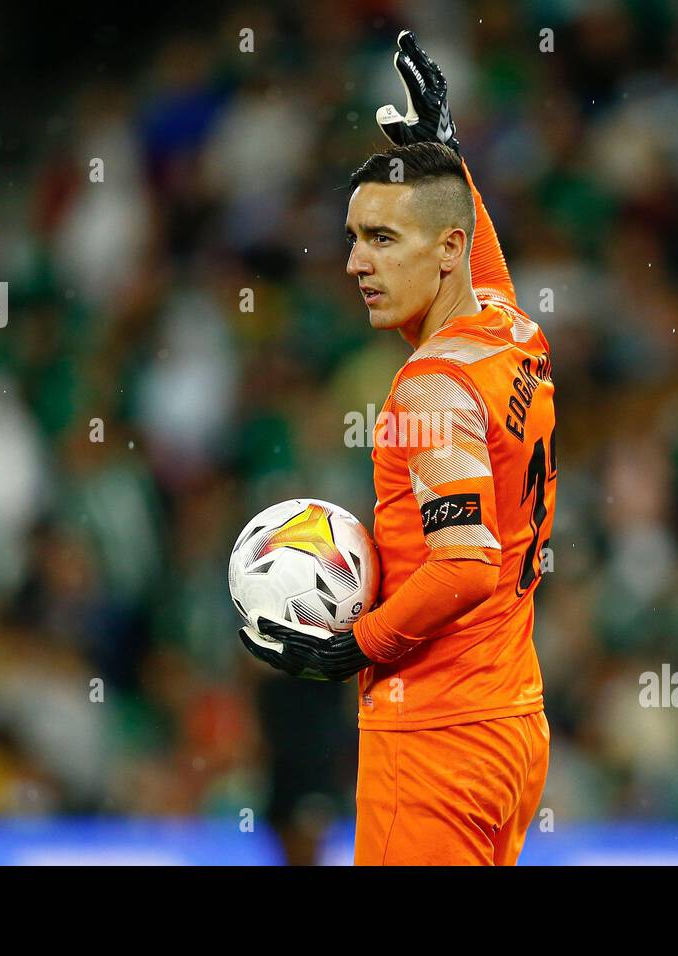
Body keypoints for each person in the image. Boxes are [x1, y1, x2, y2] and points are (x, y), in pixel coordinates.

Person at [240, 31, 557, 866]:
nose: (354, 263)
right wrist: (443, 154)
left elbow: (463, 563)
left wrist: (356, 645)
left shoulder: (429, 390)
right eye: (354, 236)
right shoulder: (511, 333)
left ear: (444, 250)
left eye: (382, 239)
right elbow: (478, 258)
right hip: (510, 718)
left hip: (437, 737)